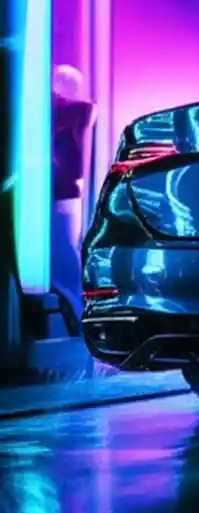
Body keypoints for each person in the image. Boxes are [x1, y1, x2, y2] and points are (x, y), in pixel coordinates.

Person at [50, 64, 94, 335]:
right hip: (64, 193)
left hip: (64, 194)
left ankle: (79, 319)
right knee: (64, 257)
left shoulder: (78, 110)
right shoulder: (73, 112)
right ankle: (78, 318)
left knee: (64, 258)